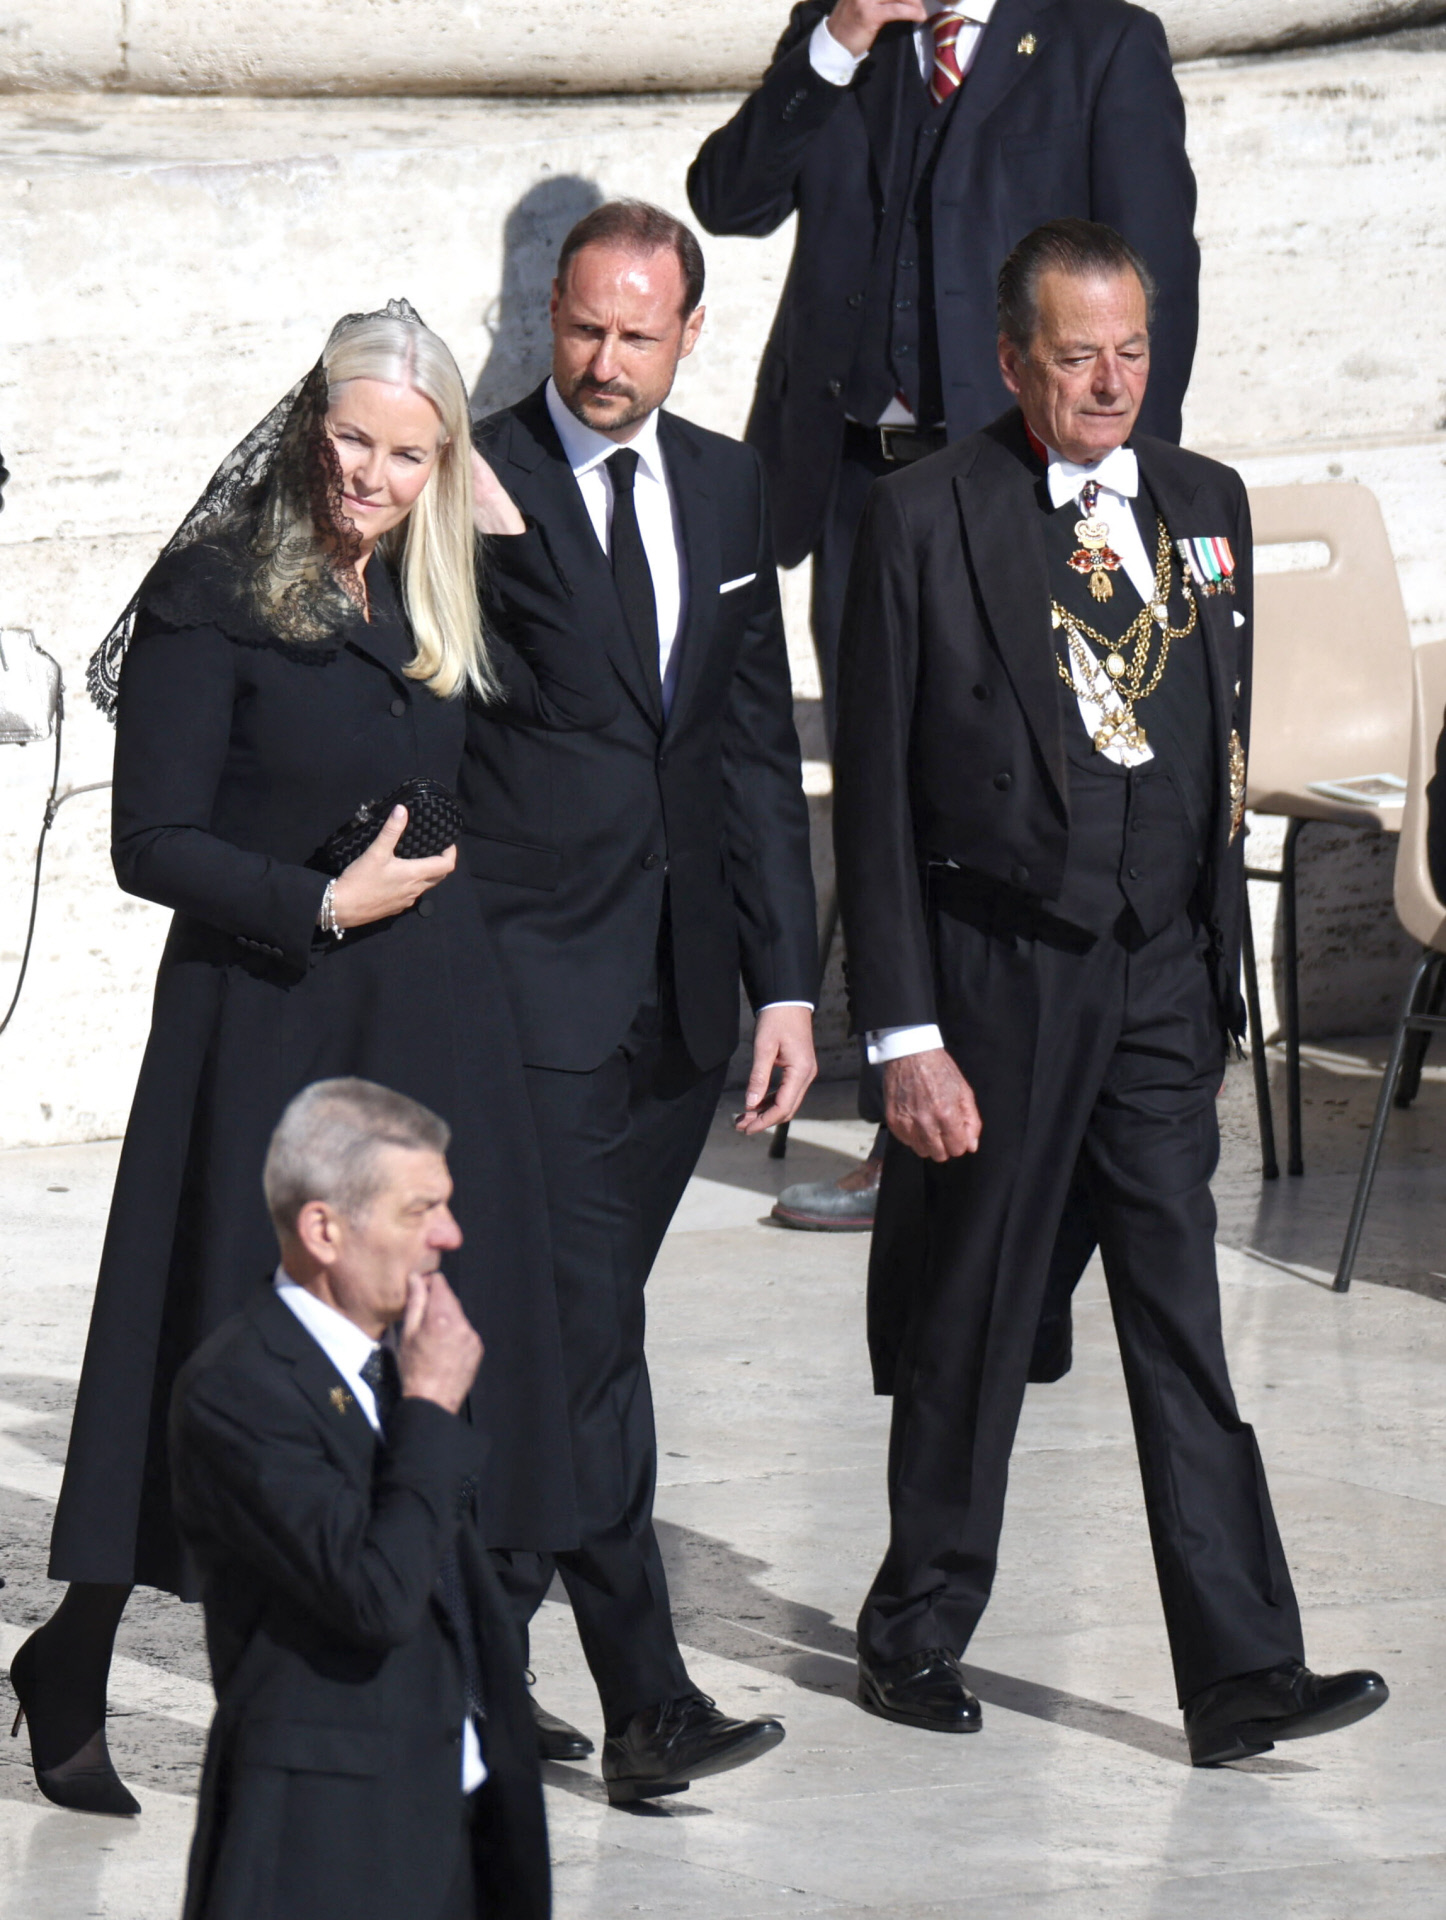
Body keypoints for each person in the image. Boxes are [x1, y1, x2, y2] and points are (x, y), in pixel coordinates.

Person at [9, 301, 595, 1814]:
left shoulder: (436, 578)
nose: (373, 477)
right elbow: (151, 842)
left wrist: (504, 518)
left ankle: (423, 1680)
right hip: (266, 1018)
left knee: (430, 1352)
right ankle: (79, 1652)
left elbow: (591, 696)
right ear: (304, 422)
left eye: (411, 453)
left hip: (430, 1023)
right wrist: (320, 902)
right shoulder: (218, 591)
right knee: (225, 1353)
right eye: (353, 438)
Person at [832, 218, 1389, 1763]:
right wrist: (905, 1036)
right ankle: (913, 1629)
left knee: (1180, 1321)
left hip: (1156, 978)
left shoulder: (1201, 504)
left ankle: (1238, 1674)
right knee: (977, 1311)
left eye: (1131, 349)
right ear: (1011, 358)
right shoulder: (923, 517)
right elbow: (873, 793)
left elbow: (1209, 737)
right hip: (998, 976)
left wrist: (1211, 962)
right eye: (1074, 353)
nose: (1108, 380)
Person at [688, 0, 1200, 1232]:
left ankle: (1050, 1114)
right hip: (862, 483)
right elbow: (731, 198)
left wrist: (1110, 499)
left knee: (1009, 796)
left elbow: (1156, 283)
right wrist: (841, 40)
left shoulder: (1097, 42)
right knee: (886, 798)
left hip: (1021, 490)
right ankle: (899, 1130)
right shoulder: (846, 34)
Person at [464, 199, 819, 1806]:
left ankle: (470, 1662)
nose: (606, 362)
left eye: (638, 334)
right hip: (525, 985)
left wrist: (790, 984)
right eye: (583, 328)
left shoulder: (734, 482)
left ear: (691, 335)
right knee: (590, 1336)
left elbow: (747, 750)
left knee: (549, 1338)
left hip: (683, 1002)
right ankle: (647, 1697)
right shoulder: (468, 481)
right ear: (548, 315)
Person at [171, 1078, 549, 1920]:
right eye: (420, 1212)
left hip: (454, 1820)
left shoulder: (404, 1361)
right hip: (330, 1849)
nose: (449, 1236)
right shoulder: (241, 1390)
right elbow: (374, 1596)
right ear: (324, 1230)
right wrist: (429, 1415)